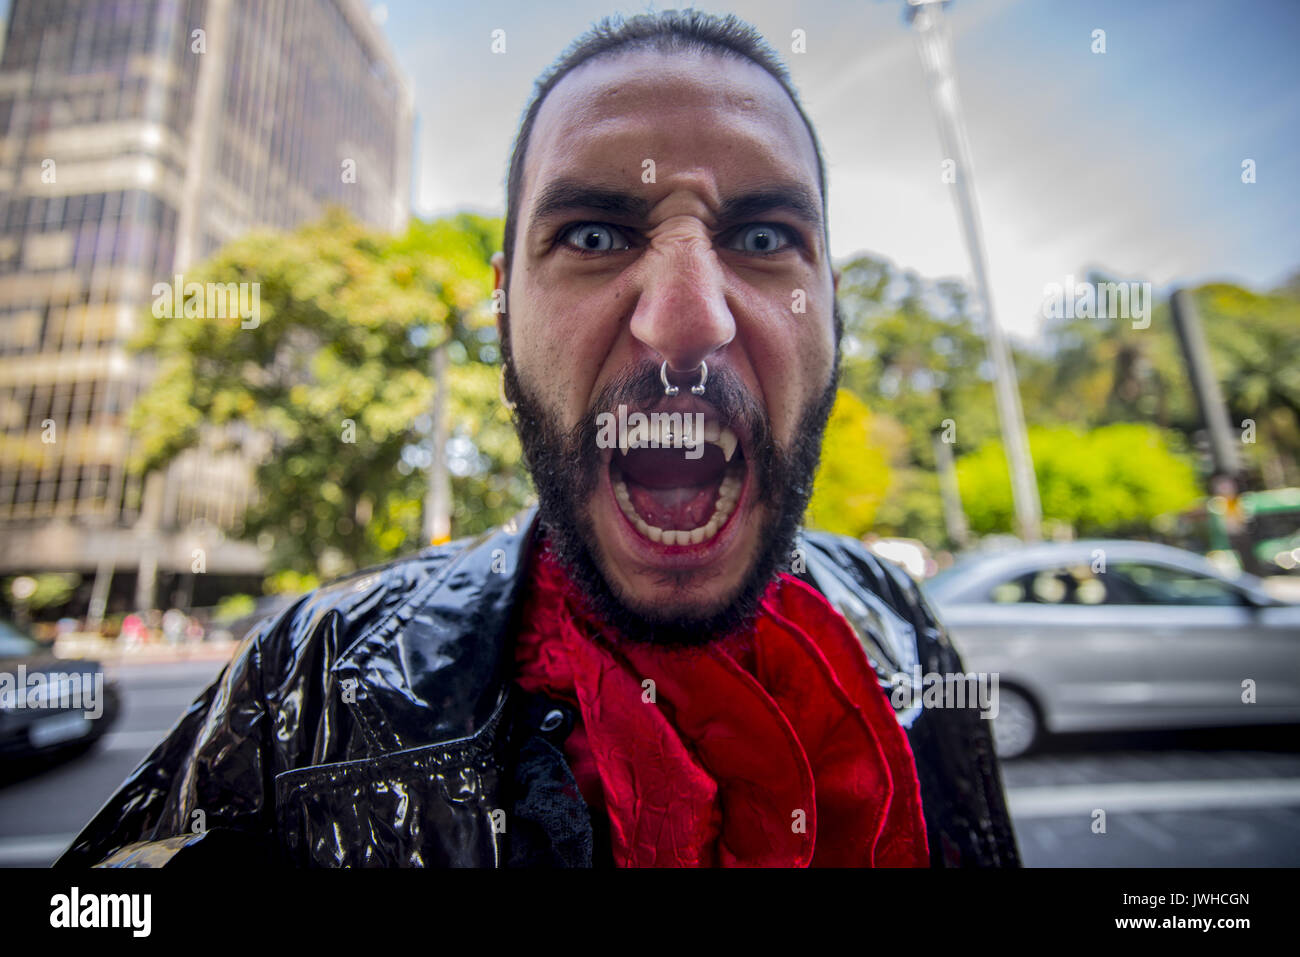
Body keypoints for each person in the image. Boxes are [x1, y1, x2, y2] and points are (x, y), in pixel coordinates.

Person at [57, 10, 1018, 868]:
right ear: (504, 307)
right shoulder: (313, 682)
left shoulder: (901, 623)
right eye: (595, 236)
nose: (688, 320)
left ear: (831, 310)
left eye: (764, 239)